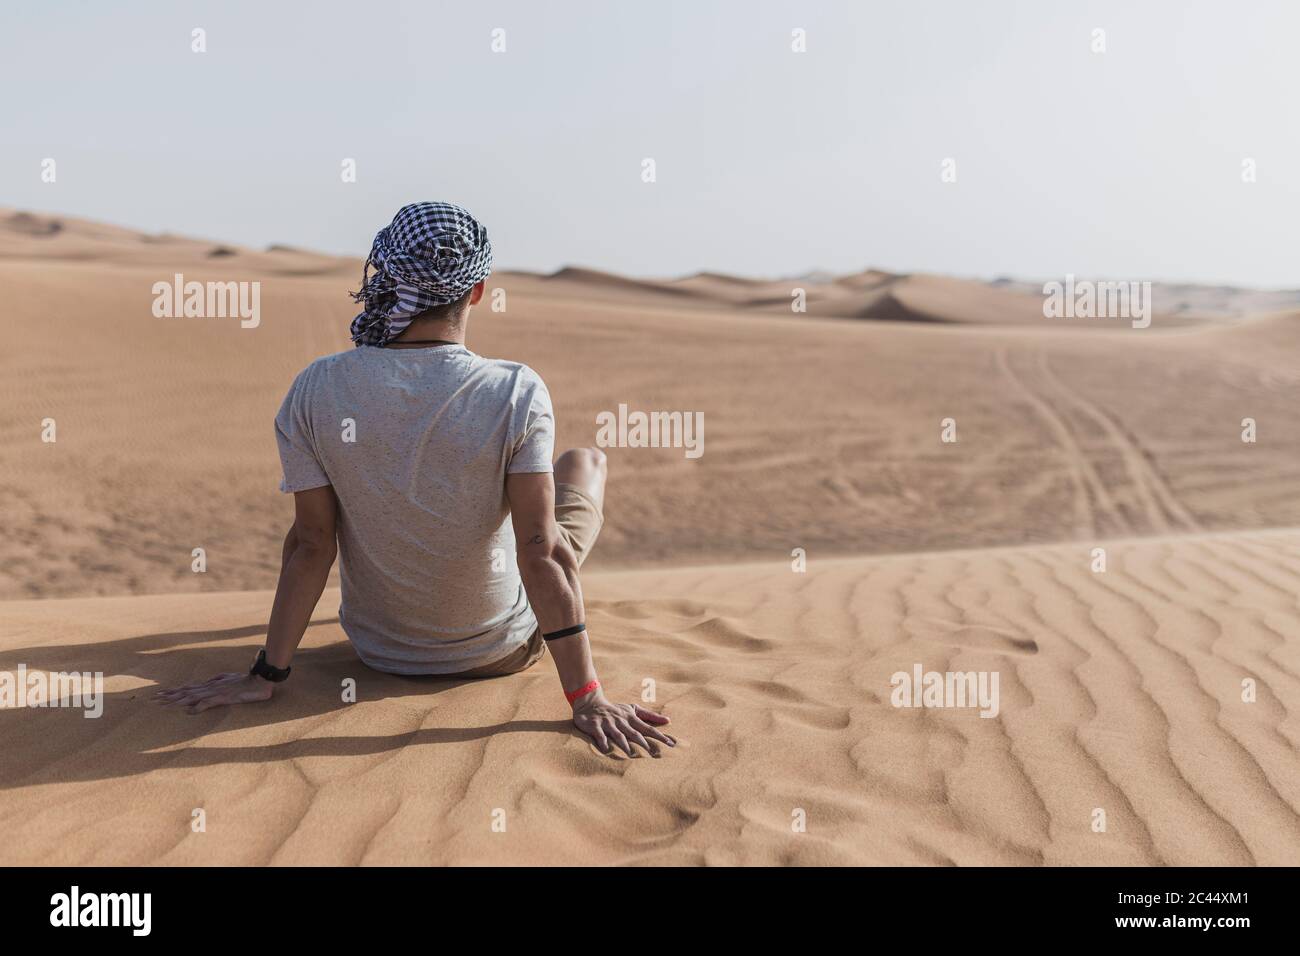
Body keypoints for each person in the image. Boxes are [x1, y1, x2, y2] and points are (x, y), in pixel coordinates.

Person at [157, 202, 674, 758]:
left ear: (389, 277)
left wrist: (267, 673)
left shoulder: (315, 388)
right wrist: (587, 697)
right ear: (477, 291)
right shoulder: (517, 389)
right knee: (584, 463)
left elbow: (312, 544)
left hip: (378, 653)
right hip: (498, 653)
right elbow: (539, 548)